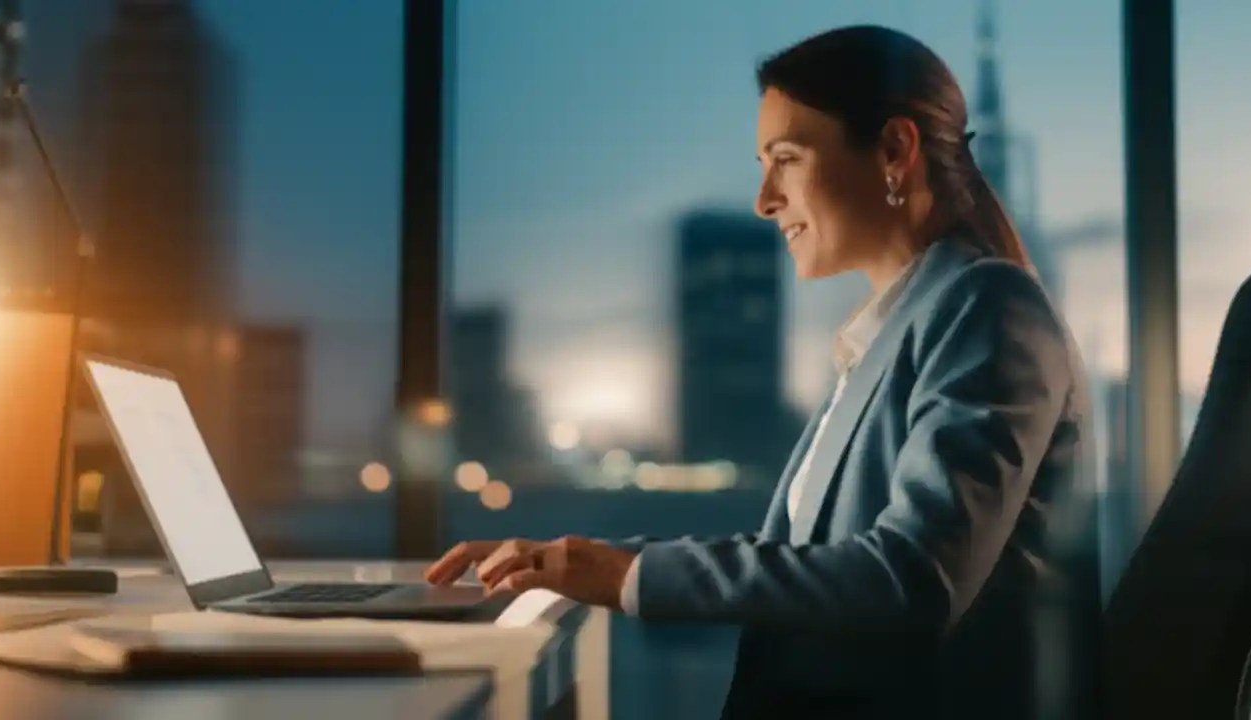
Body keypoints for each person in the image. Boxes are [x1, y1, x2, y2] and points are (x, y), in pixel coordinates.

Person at [426, 25, 1098, 718]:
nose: (764, 199)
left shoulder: (987, 307)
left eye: (786, 159)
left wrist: (629, 576)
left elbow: (911, 578)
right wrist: (577, 561)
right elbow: (803, 557)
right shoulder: (890, 336)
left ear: (895, 150)